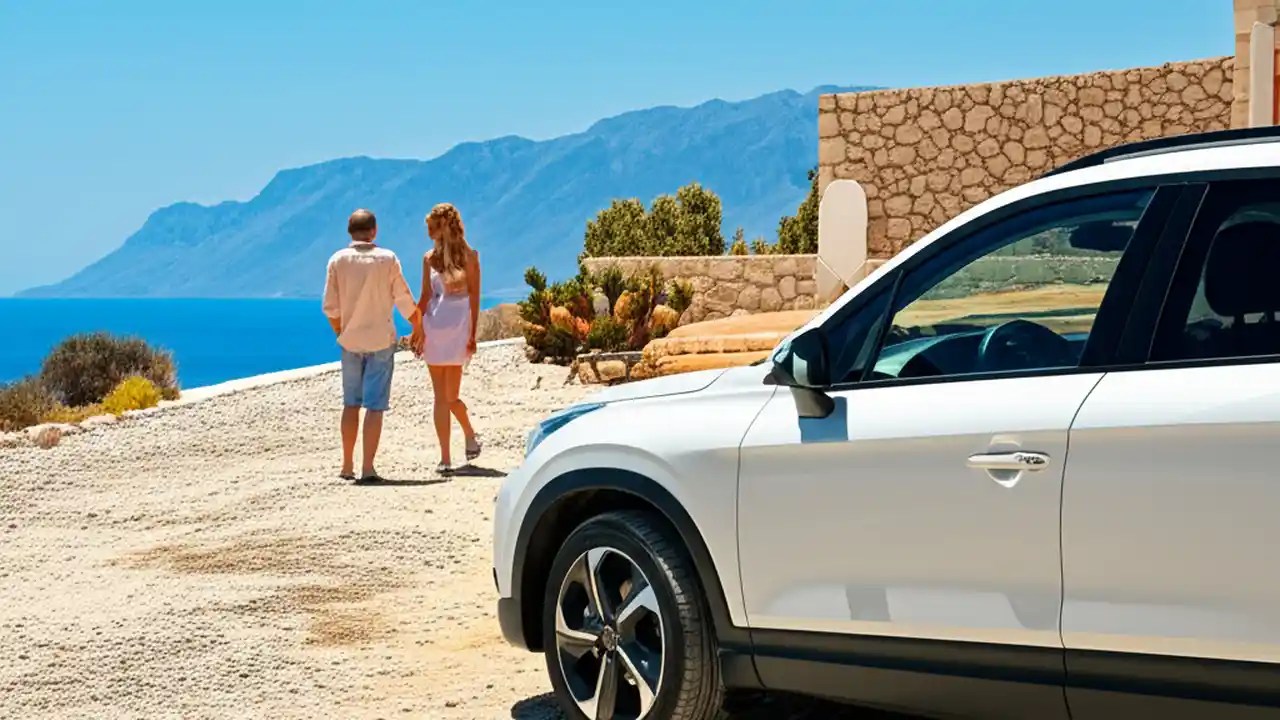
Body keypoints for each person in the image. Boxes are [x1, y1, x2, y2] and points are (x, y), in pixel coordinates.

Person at [322, 208, 421, 484]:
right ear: (374, 231)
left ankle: (346, 465)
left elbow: (330, 308)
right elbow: (403, 299)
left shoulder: (337, 260)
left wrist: (342, 331)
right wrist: (418, 327)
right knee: (375, 405)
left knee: (350, 403)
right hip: (380, 341)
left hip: (350, 342)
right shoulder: (387, 259)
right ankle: (368, 468)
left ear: (349, 232)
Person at [416, 202, 481, 476]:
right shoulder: (428, 258)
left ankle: (469, 432)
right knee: (439, 397)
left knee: (451, 396)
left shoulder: (470, 256)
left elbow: (475, 296)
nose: (429, 231)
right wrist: (417, 328)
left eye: (432, 226)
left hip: (458, 328)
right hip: (434, 327)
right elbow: (425, 296)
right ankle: (445, 457)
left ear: (444, 226)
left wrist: (473, 333)